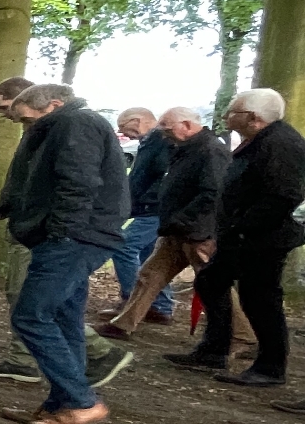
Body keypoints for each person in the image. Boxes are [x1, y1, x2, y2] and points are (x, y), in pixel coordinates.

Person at [0, 78, 131, 387]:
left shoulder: (76, 125)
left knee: (31, 313)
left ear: (53, 106)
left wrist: (60, 234)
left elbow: (77, 183)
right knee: (63, 313)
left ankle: (74, 396)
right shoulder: (62, 126)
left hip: (67, 237)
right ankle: (68, 396)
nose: (17, 121)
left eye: (22, 115)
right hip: (57, 234)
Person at [169, 88, 305, 388]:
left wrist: (244, 227)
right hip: (240, 234)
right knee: (210, 281)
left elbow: (283, 195)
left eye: (233, 111)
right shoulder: (259, 141)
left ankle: (270, 367)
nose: (227, 116)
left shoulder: (281, 144)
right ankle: (214, 350)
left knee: (261, 299)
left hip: (262, 237)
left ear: (254, 118)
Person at [98, 108, 252, 343]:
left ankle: (244, 335)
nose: (163, 134)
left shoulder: (210, 150)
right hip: (177, 229)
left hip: (197, 231)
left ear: (187, 125)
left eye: (167, 129)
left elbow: (213, 193)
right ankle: (123, 324)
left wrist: (184, 219)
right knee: (150, 276)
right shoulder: (185, 148)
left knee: (213, 284)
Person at [106, 106, 176, 323]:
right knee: (149, 256)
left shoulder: (160, 140)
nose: (124, 134)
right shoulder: (150, 141)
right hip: (150, 207)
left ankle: (133, 302)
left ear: (137, 121)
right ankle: (160, 306)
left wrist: (142, 198)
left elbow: (161, 173)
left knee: (123, 247)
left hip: (153, 208)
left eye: (123, 127)